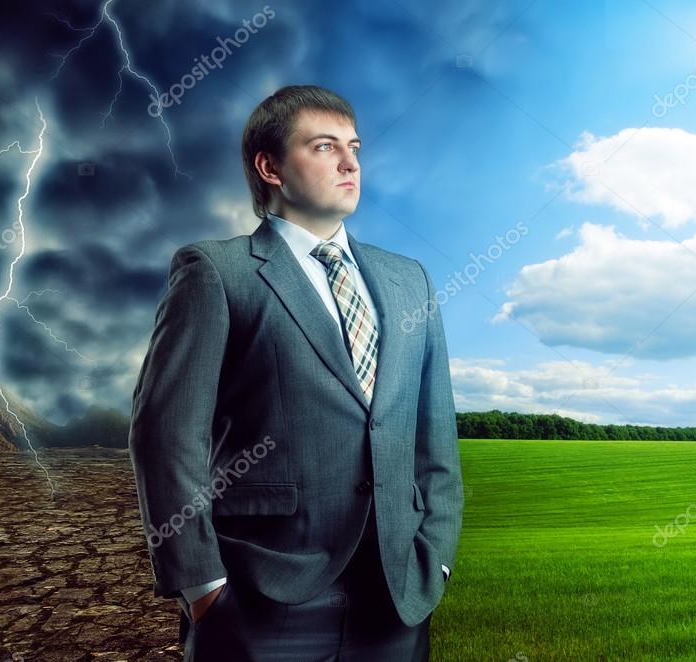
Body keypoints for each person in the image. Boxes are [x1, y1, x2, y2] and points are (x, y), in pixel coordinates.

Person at [128, 84, 464, 661]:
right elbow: (166, 434)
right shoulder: (217, 271)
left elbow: (434, 435)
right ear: (271, 165)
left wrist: (436, 556)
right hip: (262, 592)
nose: (351, 162)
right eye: (325, 146)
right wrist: (203, 587)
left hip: (397, 595)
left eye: (354, 147)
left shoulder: (412, 280)